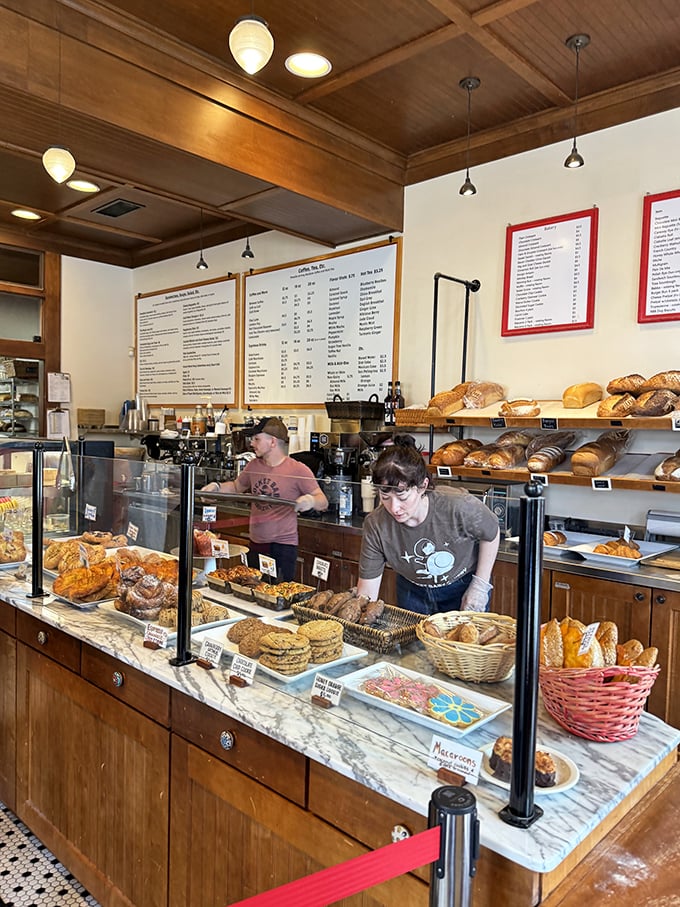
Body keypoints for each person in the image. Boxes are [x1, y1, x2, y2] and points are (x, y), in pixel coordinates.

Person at [356, 435, 500, 614]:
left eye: (402, 497)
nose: (394, 508)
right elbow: (367, 592)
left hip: (460, 585)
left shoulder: (457, 505)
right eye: (385, 497)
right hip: (412, 590)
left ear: (422, 486)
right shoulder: (376, 525)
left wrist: (480, 586)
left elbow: (492, 533)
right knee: (414, 642)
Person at [202, 417, 328, 581]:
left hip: (283, 547)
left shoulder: (297, 469)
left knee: (278, 597)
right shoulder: (254, 466)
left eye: (256, 439)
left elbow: (323, 501)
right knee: (253, 592)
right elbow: (236, 486)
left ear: (273, 442)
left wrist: (310, 501)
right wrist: (216, 487)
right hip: (256, 543)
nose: (252, 443)